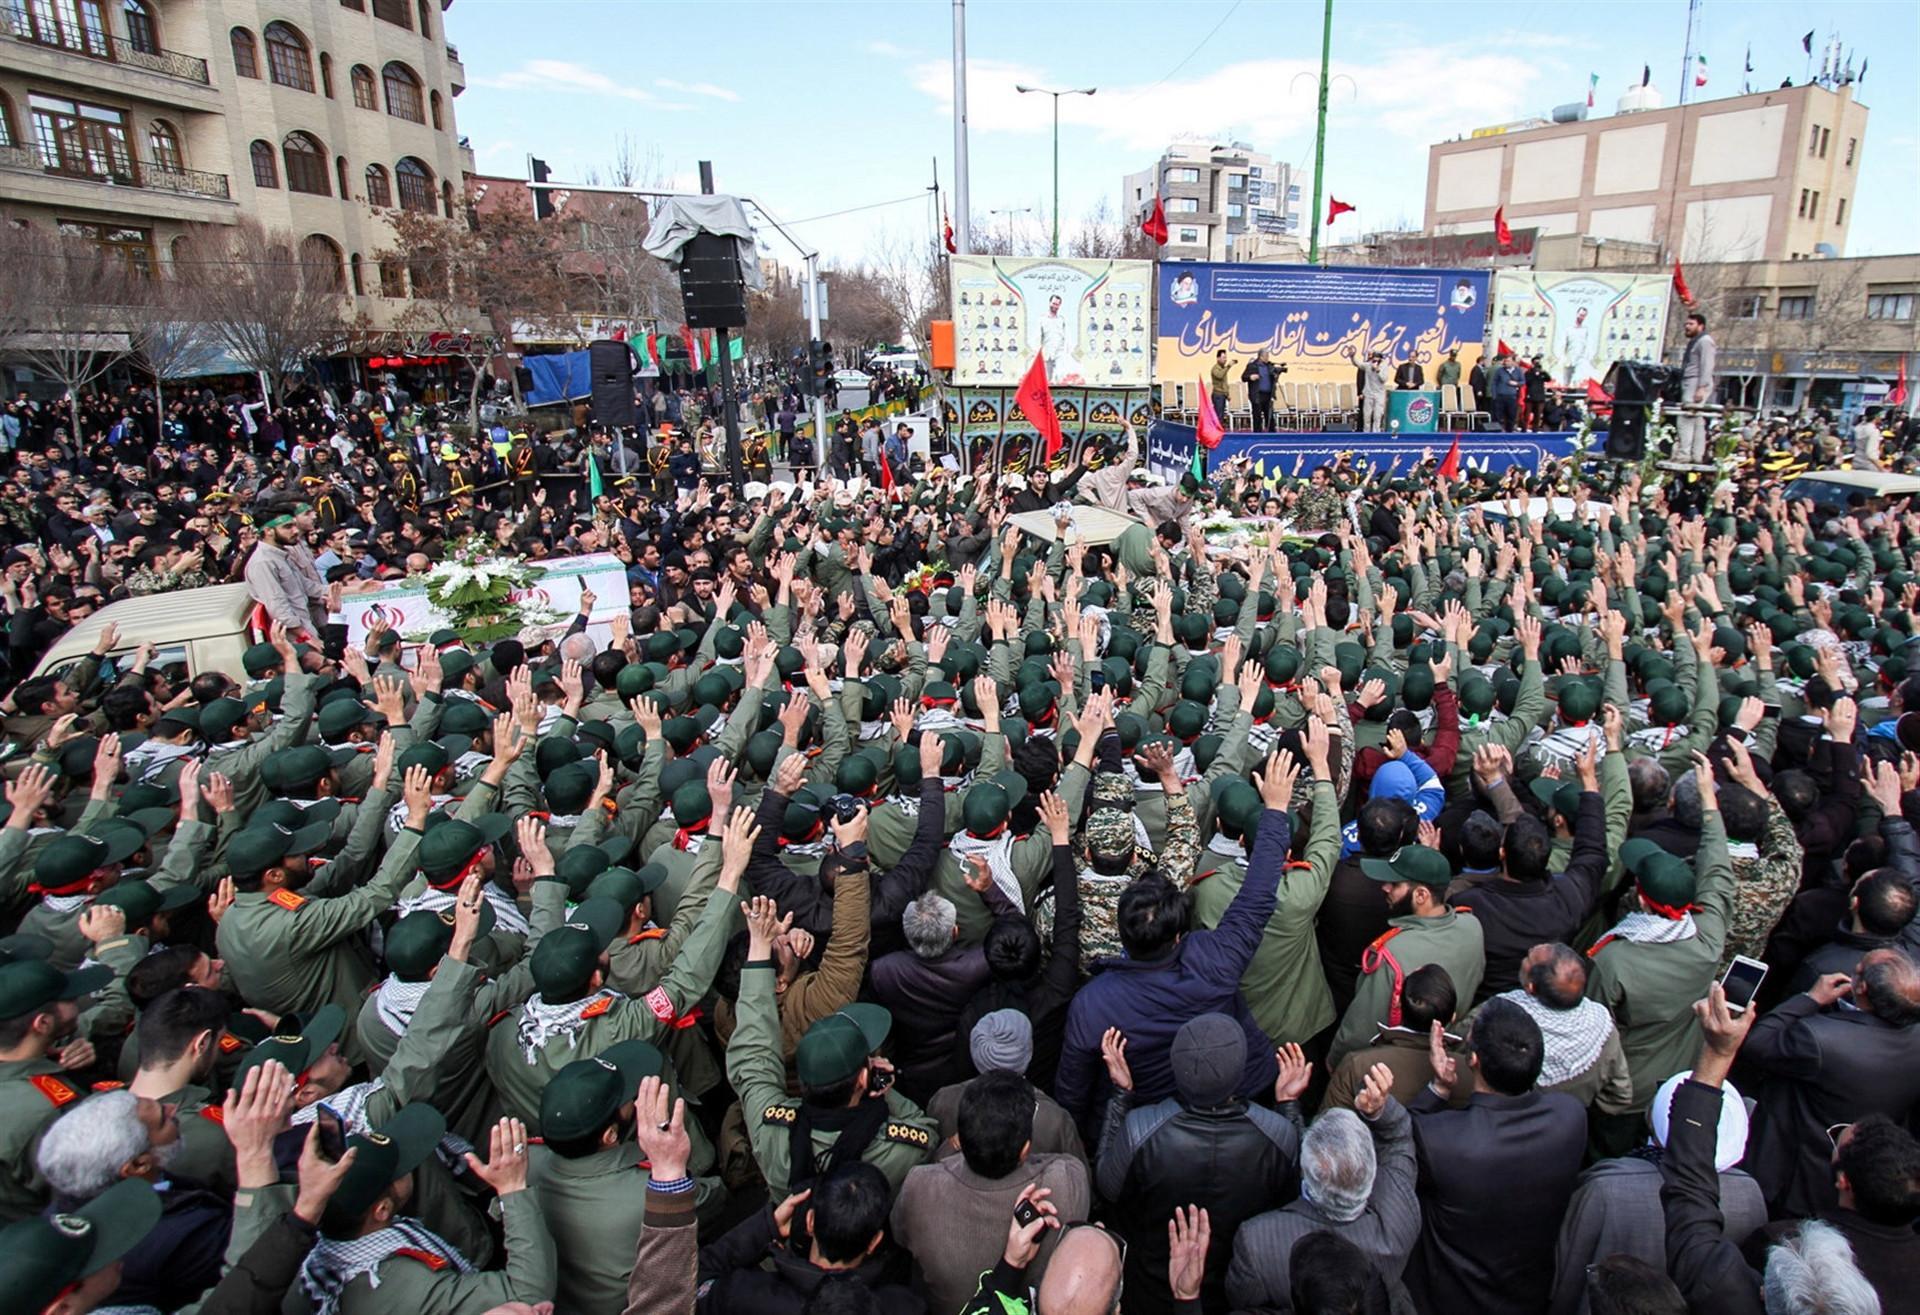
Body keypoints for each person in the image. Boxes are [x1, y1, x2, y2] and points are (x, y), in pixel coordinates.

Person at [1096, 1016, 1306, 1313]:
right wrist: (1288, 1106)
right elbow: (1297, 1194)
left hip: (1152, 1283)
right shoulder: (1278, 1133)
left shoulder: (1140, 1129)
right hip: (1236, 1287)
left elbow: (1107, 1185)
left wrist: (1121, 1096)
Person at [1405, 998, 1587, 1315]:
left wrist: (1438, 1089)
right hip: (1529, 1293)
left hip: (1452, 1296)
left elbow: (1398, 1141)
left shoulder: (1440, 1141)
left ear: (1472, 1059)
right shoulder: (1570, 1116)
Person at [1739, 946, 1920, 1220]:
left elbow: (1757, 1043)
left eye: (1857, 970)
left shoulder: (1820, 1039)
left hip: (1794, 1172)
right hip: (1850, 1178)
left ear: (1861, 988)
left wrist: (1810, 998)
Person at [1226, 1062, 1421, 1313]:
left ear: (1306, 1176)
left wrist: (1287, 1104)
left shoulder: (1257, 1243)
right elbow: (1398, 1138)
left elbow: (1244, 1305)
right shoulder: (1399, 1220)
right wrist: (1379, 1111)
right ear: (1372, 1170)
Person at [891, 1069, 1090, 1313]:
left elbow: (899, 1235)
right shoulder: (1064, 1182)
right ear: (1025, 1150)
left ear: (960, 1139)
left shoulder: (919, 1186)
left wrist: (946, 1150)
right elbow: (1069, 1163)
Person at [1673, 311, 1717, 465]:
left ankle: (1685, 453)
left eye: (1691, 324)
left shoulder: (1705, 341)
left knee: (1686, 417)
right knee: (1697, 419)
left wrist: (1702, 387)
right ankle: (1697, 454)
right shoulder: (1696, 341)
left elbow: (1707, 365)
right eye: (1686, 324)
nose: (1687, 327)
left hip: (1696, 382)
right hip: (1692, 381)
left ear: (1701, 326)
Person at [1241, 352, 1280, 432]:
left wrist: (1276, 375)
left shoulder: (1269, 366)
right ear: (1261, 357)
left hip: (1268, 395)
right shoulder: (1252, 366)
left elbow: (1273, 379)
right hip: (1257, 394)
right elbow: (1243, 377)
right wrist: (1250, 377)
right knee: (1257, 415)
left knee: (1269, 415)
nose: (1268, 358)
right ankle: (1257, 434)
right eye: (1266, 356)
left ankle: (1272, 433)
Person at [1361, 354, 1389, 432]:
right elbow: (1358, 364)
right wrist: (1352, 357)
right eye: (1374, 360)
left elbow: (1384, 379)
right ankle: (1366, 432)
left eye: (1377, 361)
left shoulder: (1384, 367)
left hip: (1379, 394)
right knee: (1367, 415)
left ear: (1381, 361)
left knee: (1377, 416)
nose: (1375, 362)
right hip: (1369, 393)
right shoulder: (1368, 365)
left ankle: (1376, 432)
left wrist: (1378, 371)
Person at [1209, 350, 1233, 421]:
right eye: (1223, 357)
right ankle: (1216, 431)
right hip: (1218, 395)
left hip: (1222, 395)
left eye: (1225, 358)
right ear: (1218, 358)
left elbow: (1224, 383)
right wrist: (1228, 366)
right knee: (1218, 416)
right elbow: (1220, 376)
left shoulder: (1223, 368)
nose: (1225, 359)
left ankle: (1219, 429)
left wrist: (1227, 394)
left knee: (1221, 415)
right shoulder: (1215, 368)